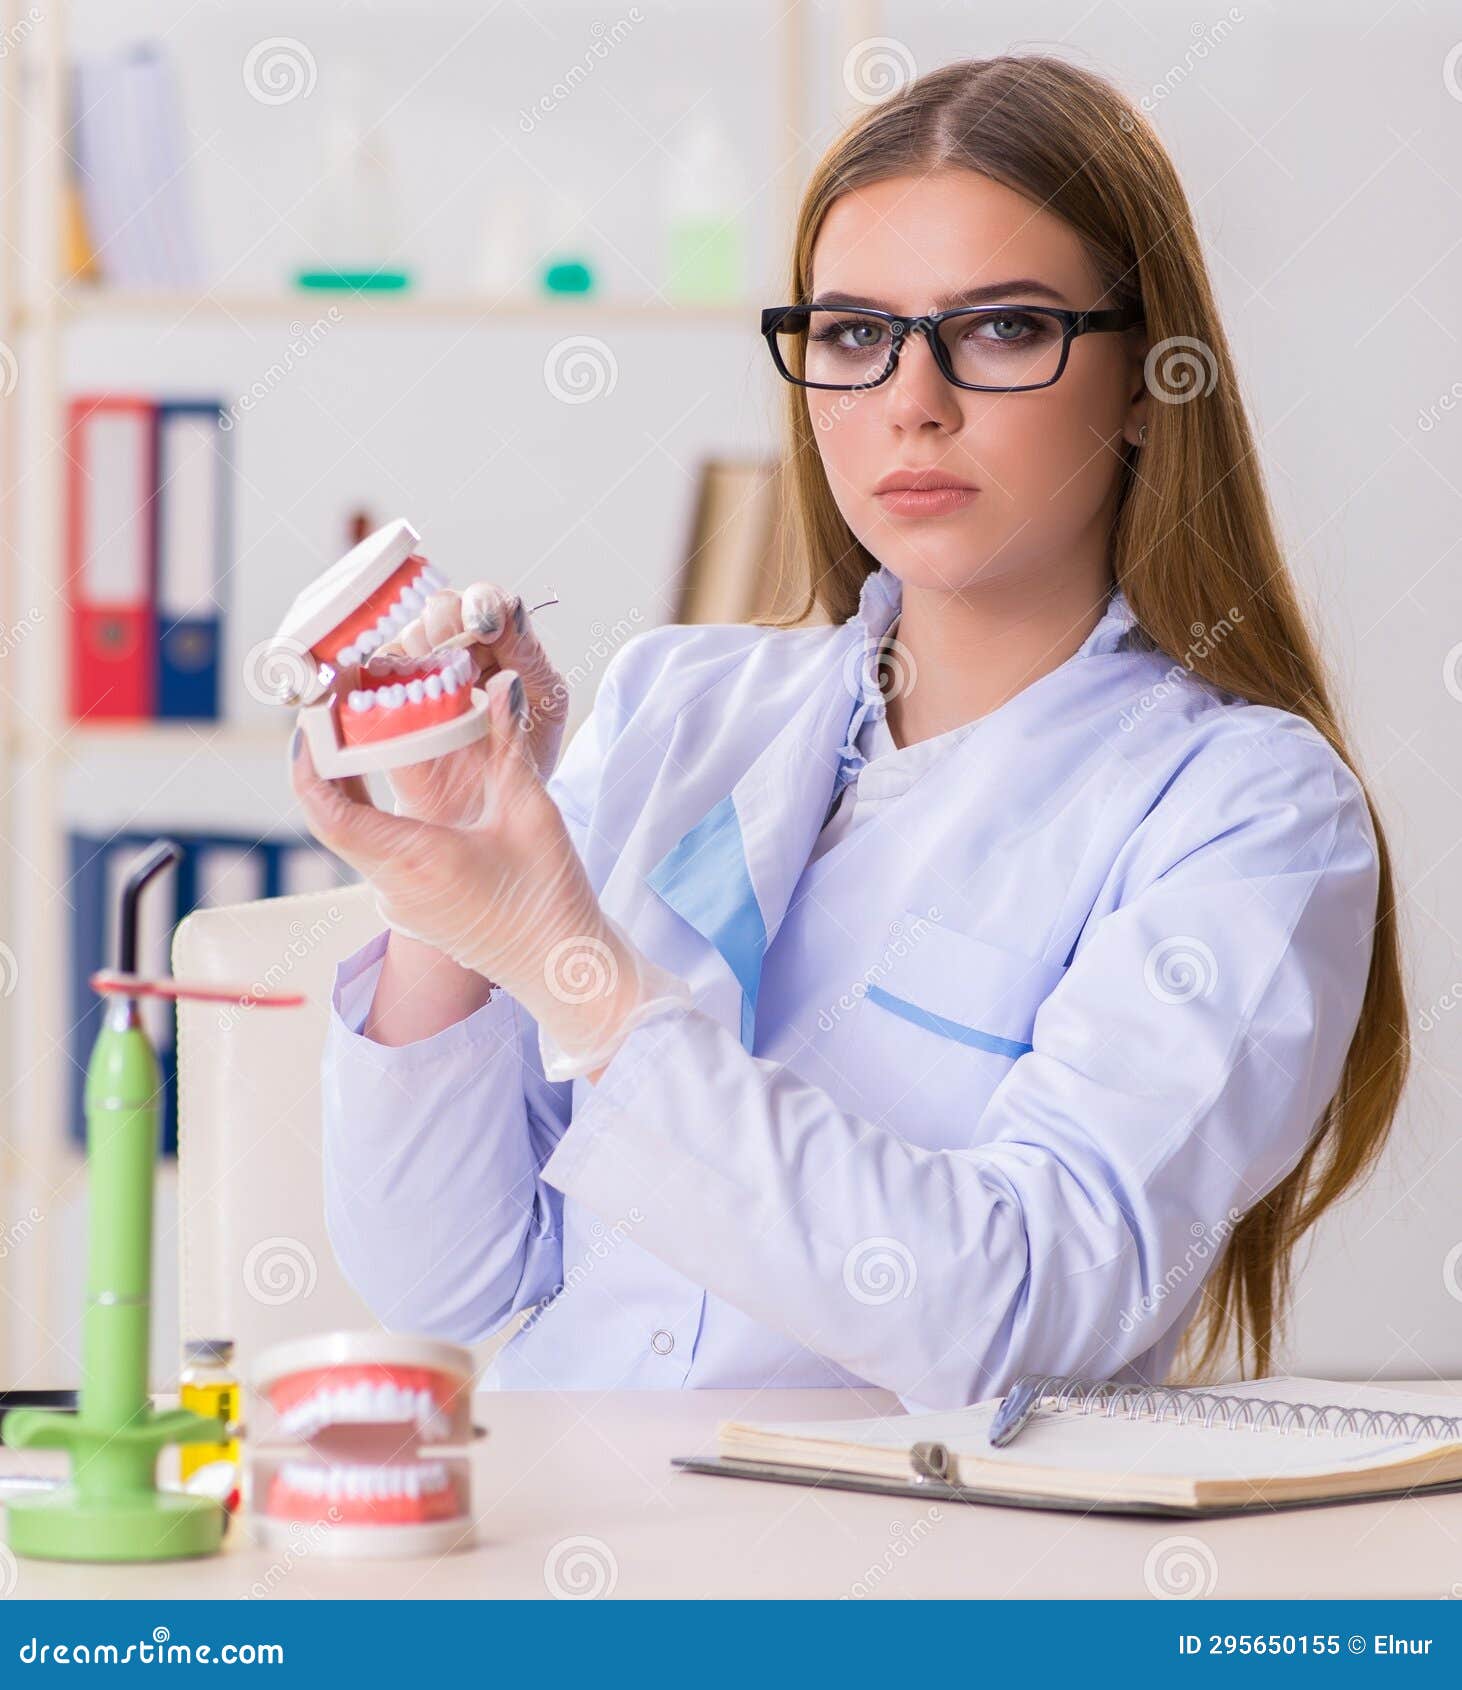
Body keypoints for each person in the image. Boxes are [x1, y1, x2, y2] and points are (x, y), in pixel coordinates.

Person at [291, 54, 1407, 1411]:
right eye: (853, 334)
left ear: (1142, 379)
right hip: (560, 1498)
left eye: (1002, 328)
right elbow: (442, 1276)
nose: (910, 401)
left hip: (902, 1533)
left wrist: (576, 976)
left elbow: (1018, 1316)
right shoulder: (672, 706)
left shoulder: (1247, 813)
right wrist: (448, 896)